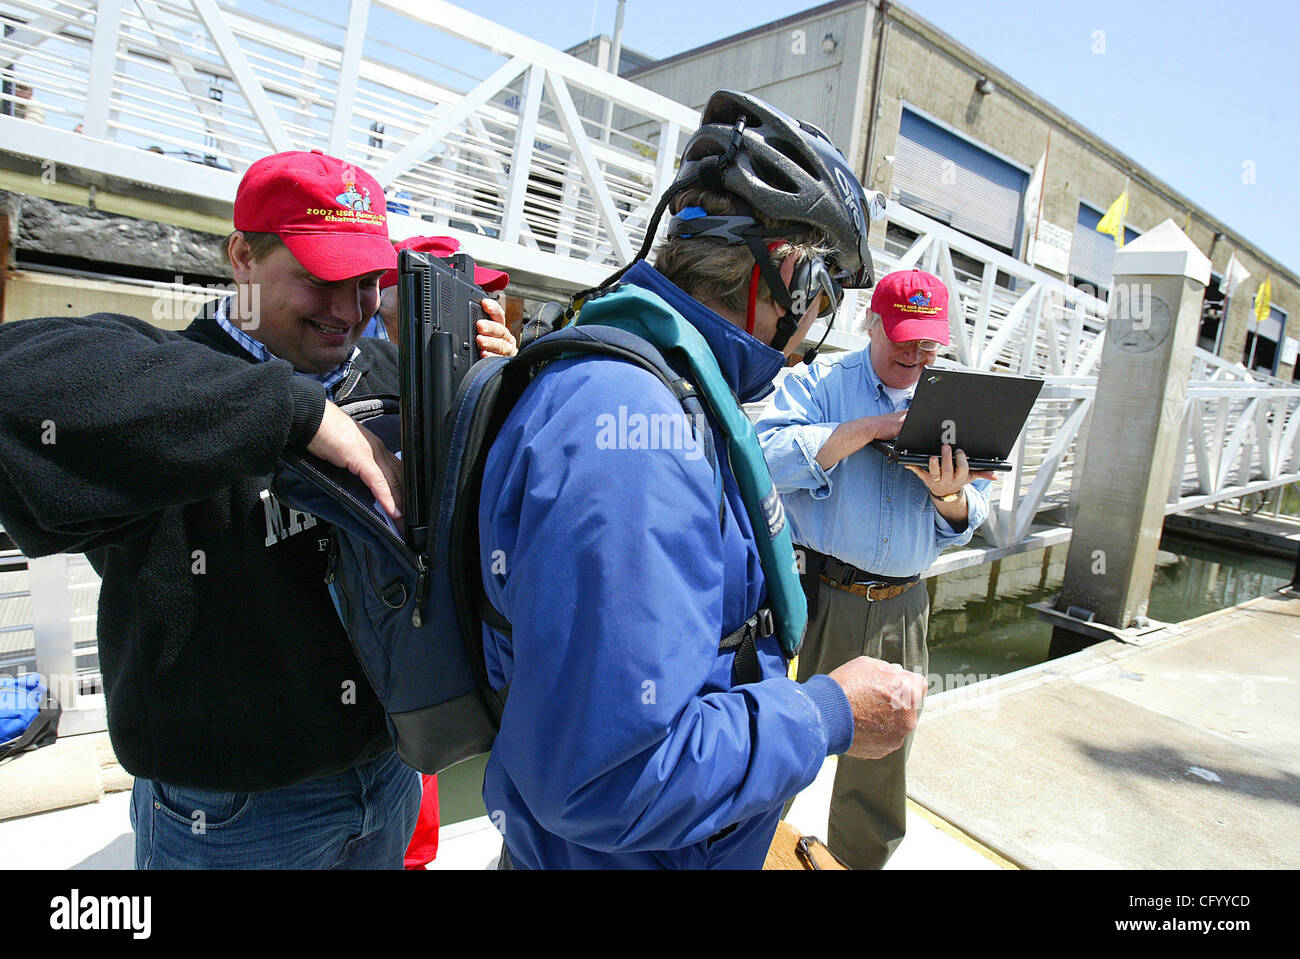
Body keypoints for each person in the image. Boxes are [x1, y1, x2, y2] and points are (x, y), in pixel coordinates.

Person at [0, 149, 516, 869]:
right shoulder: (163, 382)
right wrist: (292, 411)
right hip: (234, 814)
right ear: (242, 255)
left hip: (391, 771)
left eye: (366, 282)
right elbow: (17, 382)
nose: (347, 309)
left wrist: (498, 389)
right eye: (317, 278)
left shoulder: (395, 377)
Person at [477, 90, 926, 870]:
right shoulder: (630, 430)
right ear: (783, 274)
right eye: (821, 300)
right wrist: (828, 712)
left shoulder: (649, 387)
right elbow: (603, 774)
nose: (811, 334)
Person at [755, 268, 993, 869]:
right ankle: (743, 852)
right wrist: (869, 431)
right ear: (873, 325)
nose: (915, 355)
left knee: (882, 763)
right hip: (816, 593)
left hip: (903, 604)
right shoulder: (822, 381)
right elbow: (762, 456)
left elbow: (974, 511)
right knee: (780, 738)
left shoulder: (953, 404)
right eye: (903, 339)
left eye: (927, 344)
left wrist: (949, 495)